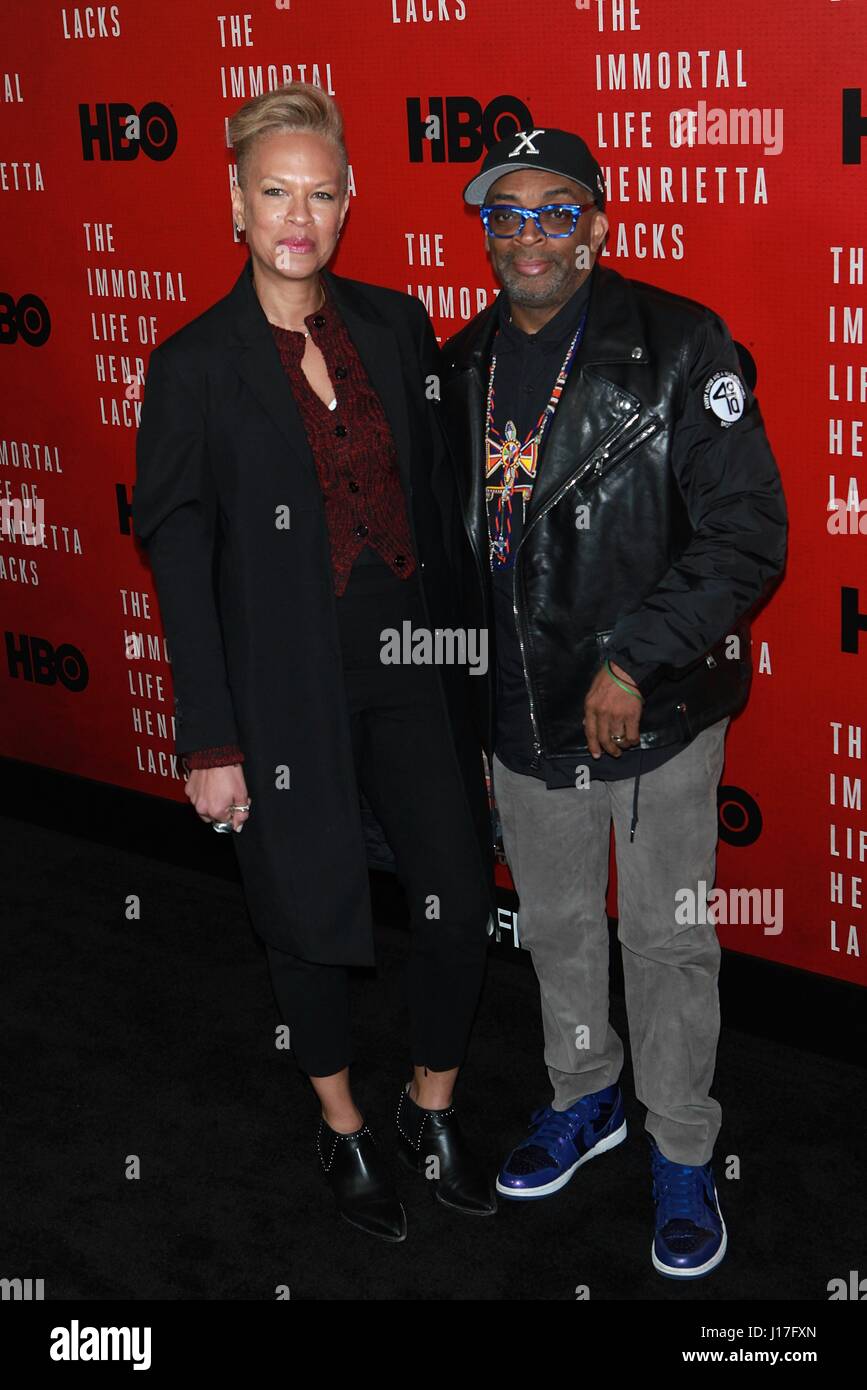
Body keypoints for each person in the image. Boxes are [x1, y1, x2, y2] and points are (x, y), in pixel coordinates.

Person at [132, 83, 498, 1243]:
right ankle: (339, 1122)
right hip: (281, 687)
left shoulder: (398, 327)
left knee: (454, 894)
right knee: (301, 915)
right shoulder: (190, 366)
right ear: (234, 201)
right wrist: (211, 738)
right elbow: (181, 564)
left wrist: (471, 673)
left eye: (321, 192)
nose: (300, 215)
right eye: (275, 191)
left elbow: (443, 519)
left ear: (352, 201)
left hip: (412, 667)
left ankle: (426, 1104)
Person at [439, 127, 787, 1278]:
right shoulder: (461, 364)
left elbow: (748, 534)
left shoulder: (684, 347)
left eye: (554, 212)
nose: (528, 233)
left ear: (597, 229)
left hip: (657, 712)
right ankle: (587, 1096)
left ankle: (683, 1145)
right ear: (488, 235)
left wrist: (635, 660)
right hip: (521, 715)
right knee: (556, 927)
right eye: (507, 214)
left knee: (669, 937)